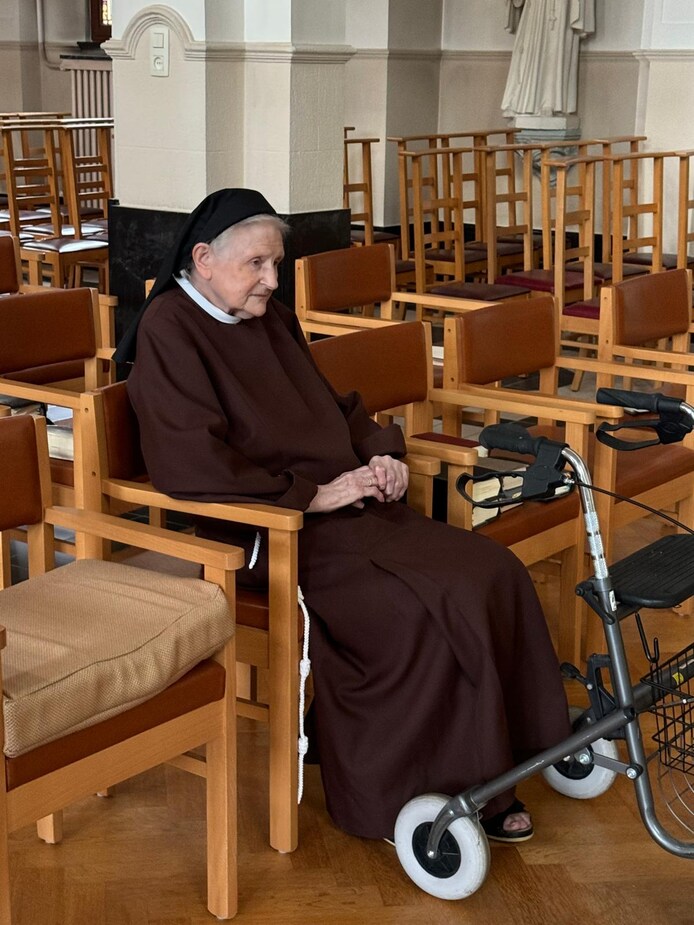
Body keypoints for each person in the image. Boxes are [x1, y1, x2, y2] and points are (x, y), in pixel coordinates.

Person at [116, 188, 570, 843]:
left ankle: (488, 772)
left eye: (278, 264)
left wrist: (379, 453)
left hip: (350, 514)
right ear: (204, 257)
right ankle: (405, 798)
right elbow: (188, 465)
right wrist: (312, 494)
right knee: (415, 607)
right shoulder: (169, 330)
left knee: (491, 570)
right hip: (266, 532)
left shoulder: (264, 313)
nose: (273, 281)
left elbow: (330, 407)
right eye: (258, 265)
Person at [501, 0, 595, 117]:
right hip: (536, 6)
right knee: (527, 50)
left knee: (555, 49)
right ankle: (522, 103)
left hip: (561, 6)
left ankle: (551, 103)